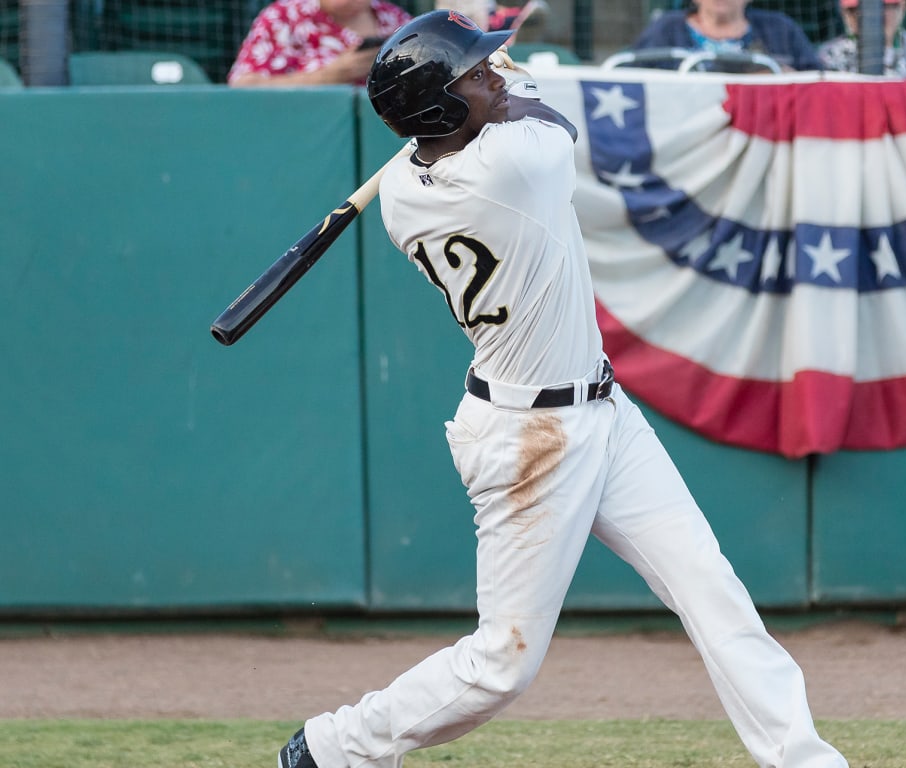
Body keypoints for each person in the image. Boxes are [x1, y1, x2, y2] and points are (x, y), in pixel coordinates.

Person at [275, 10, 849, 768]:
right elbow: (538, 107)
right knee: (499, 668)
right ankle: (333, 747)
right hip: (529, 444)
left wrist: (473, 56)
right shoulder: (516, 166)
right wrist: (498, 53)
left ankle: (805, 760)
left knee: (711, 588)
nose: (489, 75)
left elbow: (486, 104)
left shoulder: (408, 198)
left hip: (601, 412)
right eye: (471, 75)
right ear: (442, 111)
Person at [228, 0, 412, 87]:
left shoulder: (396, 19)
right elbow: (242, 86)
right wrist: (331, 75)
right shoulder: (284, 17)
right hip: (307, 135)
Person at [629, 0, 821, 72]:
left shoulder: (781, 29)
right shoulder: (665, 30)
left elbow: (819, 83)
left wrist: (782, 76)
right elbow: (631, 81)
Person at [817, 0, 906, 77]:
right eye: (854, 10)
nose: (868, 16)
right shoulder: (830, 55)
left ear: (902, 7)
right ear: (844, 14)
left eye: (884, 7)